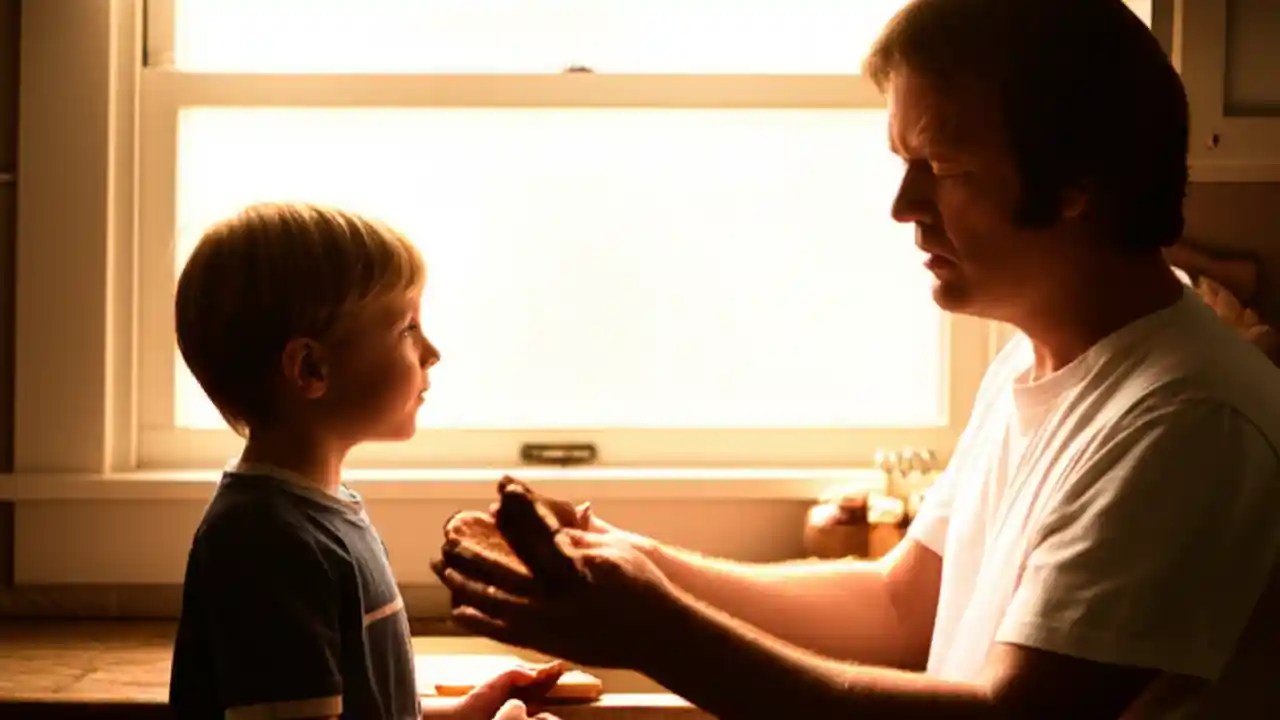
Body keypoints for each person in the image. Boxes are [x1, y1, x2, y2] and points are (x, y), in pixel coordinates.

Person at [435, 1, 1280, 717]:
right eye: (904, 163)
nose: (904, 207)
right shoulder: (1034, 364)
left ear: (1075, 184)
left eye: (942, 167)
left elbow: (1010, 717)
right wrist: (630, 562)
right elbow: (898, 606)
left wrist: (651, 628)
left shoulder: (1187, 418)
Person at [168, 203, 560, 720]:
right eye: (408, 327)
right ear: (310, 368)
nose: (432, 351)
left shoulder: (322, 513)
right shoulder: (267, 542)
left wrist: (465, 715)